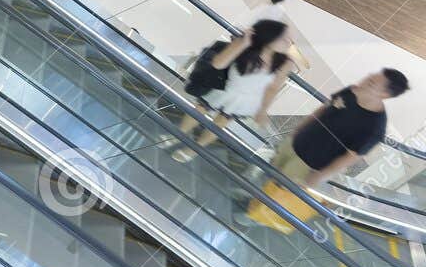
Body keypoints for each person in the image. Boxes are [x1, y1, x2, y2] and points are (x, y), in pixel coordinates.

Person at [165, 20, 295, 161]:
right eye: (284, 38)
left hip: (248, 98)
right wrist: (243, 43)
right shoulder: (246, 46)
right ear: (269, 37)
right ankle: (178, 135)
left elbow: (273, 88)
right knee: (201, 109)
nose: (289, 42)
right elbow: (218, 63)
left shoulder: (285, 62)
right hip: (225, 88)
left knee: (221, 121)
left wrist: (263, 110)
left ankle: (193, 150)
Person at [269, 69, 410, 188]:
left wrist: (318, 177)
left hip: (307, 163)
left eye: (371, 83)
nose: (365, 80)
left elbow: (351, 157)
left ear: (384, 95)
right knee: (267, 170)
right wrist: (296, 130)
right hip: (294, 143)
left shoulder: (374, 127)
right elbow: (324, 109)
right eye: (370, 77)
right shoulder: (351, 91)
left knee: (276, 190)